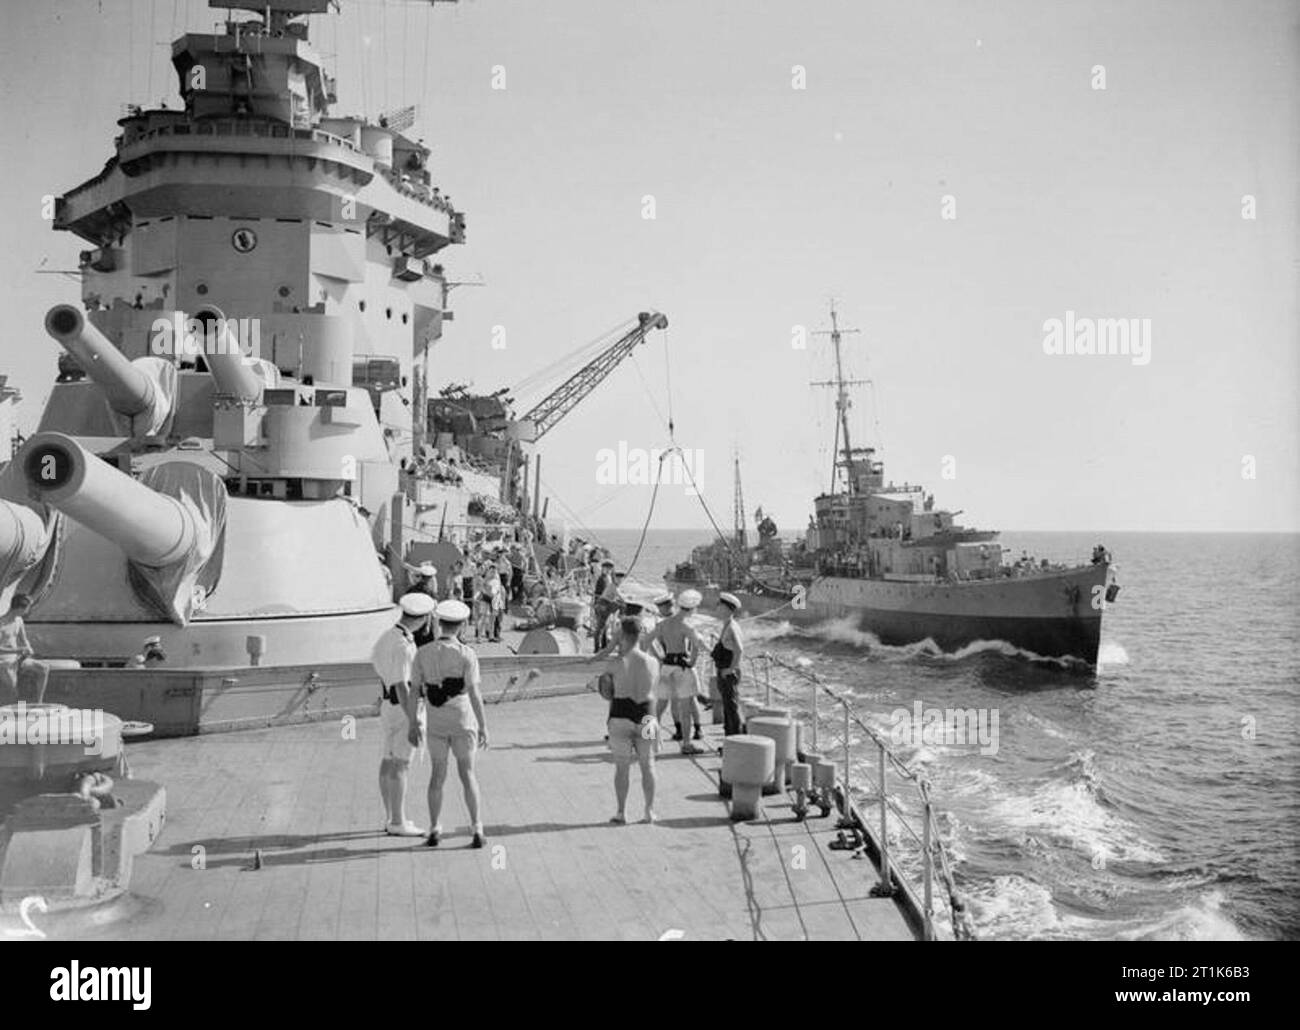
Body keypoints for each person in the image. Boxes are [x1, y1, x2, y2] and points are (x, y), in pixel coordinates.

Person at [408, 599, 489, 848]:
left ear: (439, 623)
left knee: (437, 775)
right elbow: (474, 694)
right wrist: (484, 726)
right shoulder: (467, 654)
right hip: (463, 722)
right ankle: (477, 829)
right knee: (467, 774)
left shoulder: (422, 653)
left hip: (436, 723)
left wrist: (413, 723)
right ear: (463, 625)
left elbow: (414, 693)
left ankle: (434, 829)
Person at [371, 593, 435, 837]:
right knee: (401, 764)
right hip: (402, 708)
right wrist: (414, 721)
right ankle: (398, 821)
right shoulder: (403, 645)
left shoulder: (387, 637)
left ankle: (390, 816)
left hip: (388, 706)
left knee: (387, 760)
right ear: (424, 619)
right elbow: (402, 685)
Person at [596, 616, 659, 824]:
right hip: (647, 715)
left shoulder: (614, 664)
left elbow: (606, 692)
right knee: (648, 765)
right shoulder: (652, 663)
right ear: (640, 634)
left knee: (622, 767)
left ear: (621, 635)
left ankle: (622, 812)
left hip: (620, 715)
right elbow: (654, 693)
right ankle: (649, 811)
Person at [651, 589, 705, 752]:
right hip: (681, 666)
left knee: (660, 708)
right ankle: (687, 741)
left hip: (667, 666)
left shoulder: (661, 624)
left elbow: (652, 643)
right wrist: (692, 661)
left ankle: (650, 742)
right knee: (685, 706)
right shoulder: (685, 623)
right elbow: (696, 644)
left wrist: (659, 659)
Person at [0, 595, 50, 704]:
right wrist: (17, 650)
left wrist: (29, 648)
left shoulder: (19, 620)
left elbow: (24, 639)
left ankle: (39, 702)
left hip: (17, 658)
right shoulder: (1, 624)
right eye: (27, 608)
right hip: (3, 660)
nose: (27, 611)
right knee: (12, 688)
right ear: (19, 608)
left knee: (43, 668)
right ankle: (12, 712)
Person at [711, 592, 745, 736]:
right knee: (728, 707)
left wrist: (731, 669)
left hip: (728, 674)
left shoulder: (731, 627)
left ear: (726, 608)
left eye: (719, 605)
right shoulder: (727, 625)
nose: (717, 607)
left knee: (731, 708)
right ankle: (729, 739)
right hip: (724, 672)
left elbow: (739, 650)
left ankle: (735, 740)